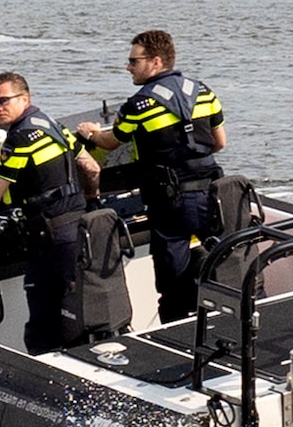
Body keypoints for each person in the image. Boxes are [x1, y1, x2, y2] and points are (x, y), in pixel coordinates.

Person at [73, 30, 227, 321]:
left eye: (133, 61)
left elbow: (112, 141)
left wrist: (91, 132)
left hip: (171, 203)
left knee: (172, 285)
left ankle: (178, 338)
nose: (128, 67)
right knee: (223, 264)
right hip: (212, 194)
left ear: (155, 61)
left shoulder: (138, 105)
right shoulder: (204, 92)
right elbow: (219, 143)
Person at [0, 72, 98, 352]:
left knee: (42, 326)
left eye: (3, 100)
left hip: (49, 239)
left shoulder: (18, 139)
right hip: (79, 227)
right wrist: (91, 198)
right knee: (75, 313)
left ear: (25, 98)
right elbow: (92, 167)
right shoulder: (54, 125)